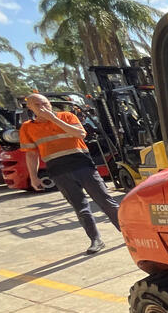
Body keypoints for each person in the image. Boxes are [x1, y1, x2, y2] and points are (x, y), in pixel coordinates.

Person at [19, 93, 120, 254]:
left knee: (106, 201)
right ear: (30, 108)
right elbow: (31, 154)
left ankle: (128, 232)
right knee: (80, 208)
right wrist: (33, 177)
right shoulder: (27, 128)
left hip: (83, 166)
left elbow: (80, 134)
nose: (43, 107)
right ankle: (95, 240)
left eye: (45, 103)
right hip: (59, 172)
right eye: (37, 105)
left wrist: (54, 119)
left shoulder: (67, 116)